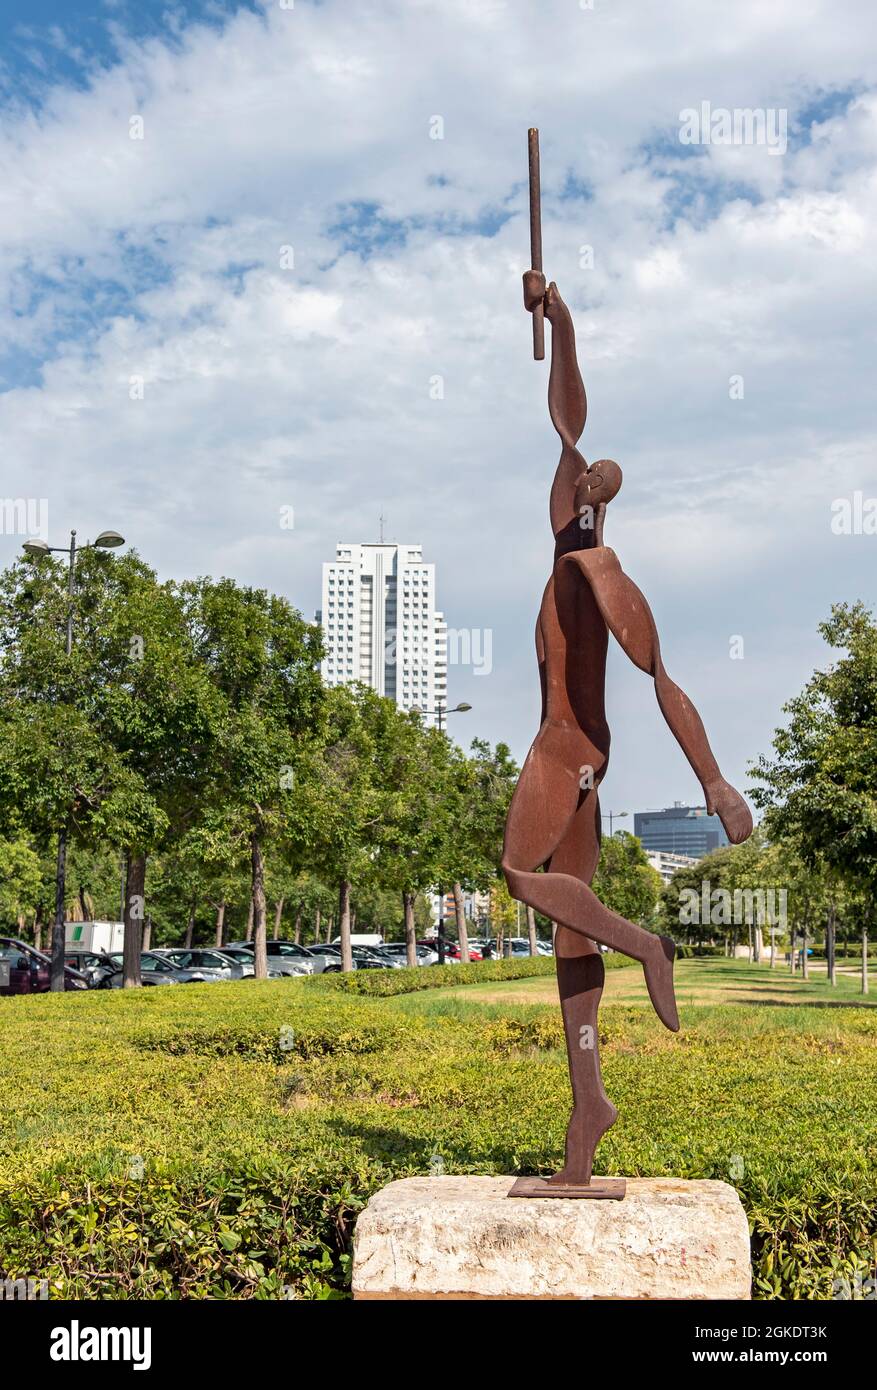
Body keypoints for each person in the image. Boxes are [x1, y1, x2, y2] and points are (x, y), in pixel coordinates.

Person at [502, 272, 752, 1186]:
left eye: (585, 494)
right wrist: (560, 319)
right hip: (578, 766)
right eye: (569, 491)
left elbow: (656, 670)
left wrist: (714, 780)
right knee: (569, 937)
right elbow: (564, 418)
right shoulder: (562, 544)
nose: (569, 497)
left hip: (565, 750)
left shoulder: (599, 569)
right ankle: (586, 1113)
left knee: (516, 874)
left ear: (599, 508)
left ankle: (646, 943)